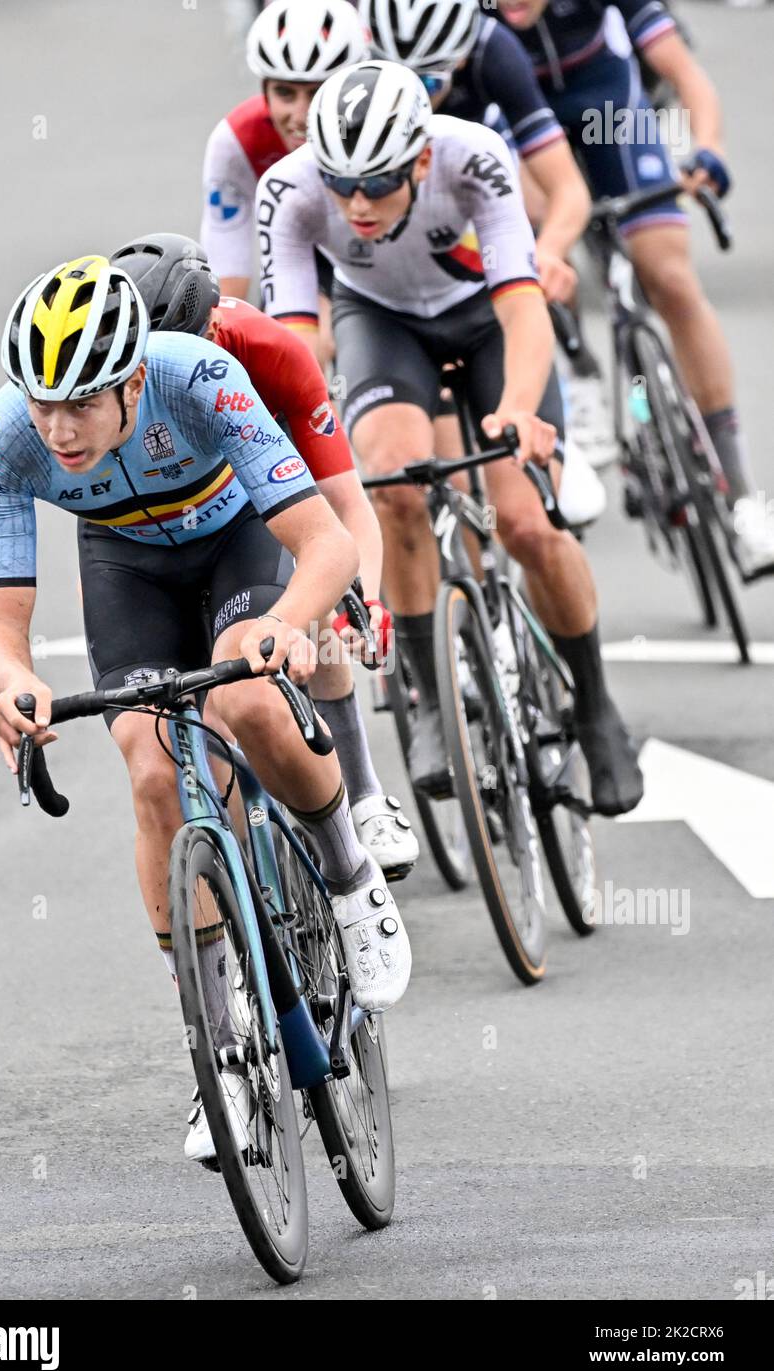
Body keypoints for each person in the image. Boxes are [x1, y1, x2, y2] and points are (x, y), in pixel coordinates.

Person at [0, 255, 412, 1160]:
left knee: (246, 698)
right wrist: (14, 684)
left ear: (133, 378)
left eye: (83, 402)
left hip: (237, 538)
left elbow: (325, 540)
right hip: (126, 563)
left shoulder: (200, 375)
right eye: (42, 401)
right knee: (152, 768)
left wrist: (289, 623)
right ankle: (217, 1047)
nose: (57, 428)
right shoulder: (4, 435)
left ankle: (348, 873)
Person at [257, 60, 643, 815]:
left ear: (421, 159)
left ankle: (596, 709)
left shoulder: (472, 157)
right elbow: (293, 348)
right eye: (343, 184)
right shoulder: (293, 190)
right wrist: (302, 456)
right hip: (383, 323)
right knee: (395, 487)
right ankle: (433, 699)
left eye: (378, 183)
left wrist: (523, 411)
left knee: (528, 522)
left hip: (484, 314)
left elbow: (523, 305)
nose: (357, 203)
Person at [109, 232, 420, 877]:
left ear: (214, 326)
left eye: (181, 350)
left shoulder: (271, 353)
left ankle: (360, 794)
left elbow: (346, 505)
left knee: (327, 605)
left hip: (261, 493)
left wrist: (368, 597)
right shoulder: (119, 390)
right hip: (166, 529)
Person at [488, 0, 774, 579]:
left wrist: (710, 149)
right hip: (523, 116)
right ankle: (581, 369)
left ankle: (743, 496)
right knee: (539, 228)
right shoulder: (483, 25)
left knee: (668, 277)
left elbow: (685, 76)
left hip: (611, 109)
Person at [360, 0, 606, 514]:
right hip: (401, 233)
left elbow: (568, 190)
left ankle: (570, 379)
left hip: (479, 183)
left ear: (460, 57)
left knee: (530, 213)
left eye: (430, 84)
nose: (416, 100)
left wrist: (549, 253)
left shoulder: (492, 48)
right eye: (401, 78)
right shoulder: (356, 70)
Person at [200, 0, 369, 366]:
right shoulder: (236, 140)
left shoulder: (381, 129)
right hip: (296, 248)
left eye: (317, 92)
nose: (301, 115)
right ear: (263, 90)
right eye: (285, 93)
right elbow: (226, 265)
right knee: (283, 360)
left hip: (381, 258)